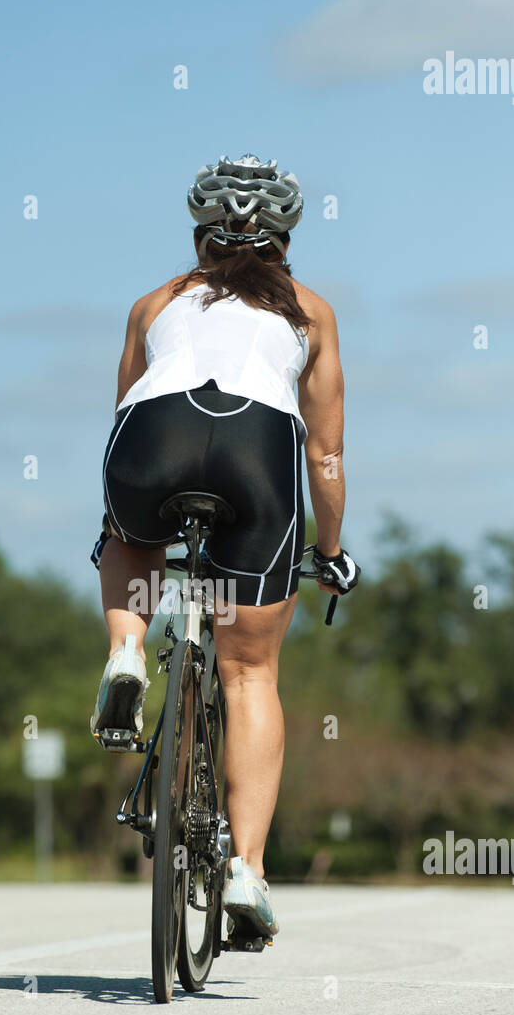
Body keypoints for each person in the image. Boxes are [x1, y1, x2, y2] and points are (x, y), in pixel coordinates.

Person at [90, 154, 360, 940]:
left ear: (197, 229)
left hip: (155, 437)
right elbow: (326, 457)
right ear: (286, 234)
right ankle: (247, 869)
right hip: (257, 451)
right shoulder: (311, 312)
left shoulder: (153, 304)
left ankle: (128, 651)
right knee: (249, 672)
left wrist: (124, 513)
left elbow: (122, 416)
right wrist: (332, 551)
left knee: (131, 533)